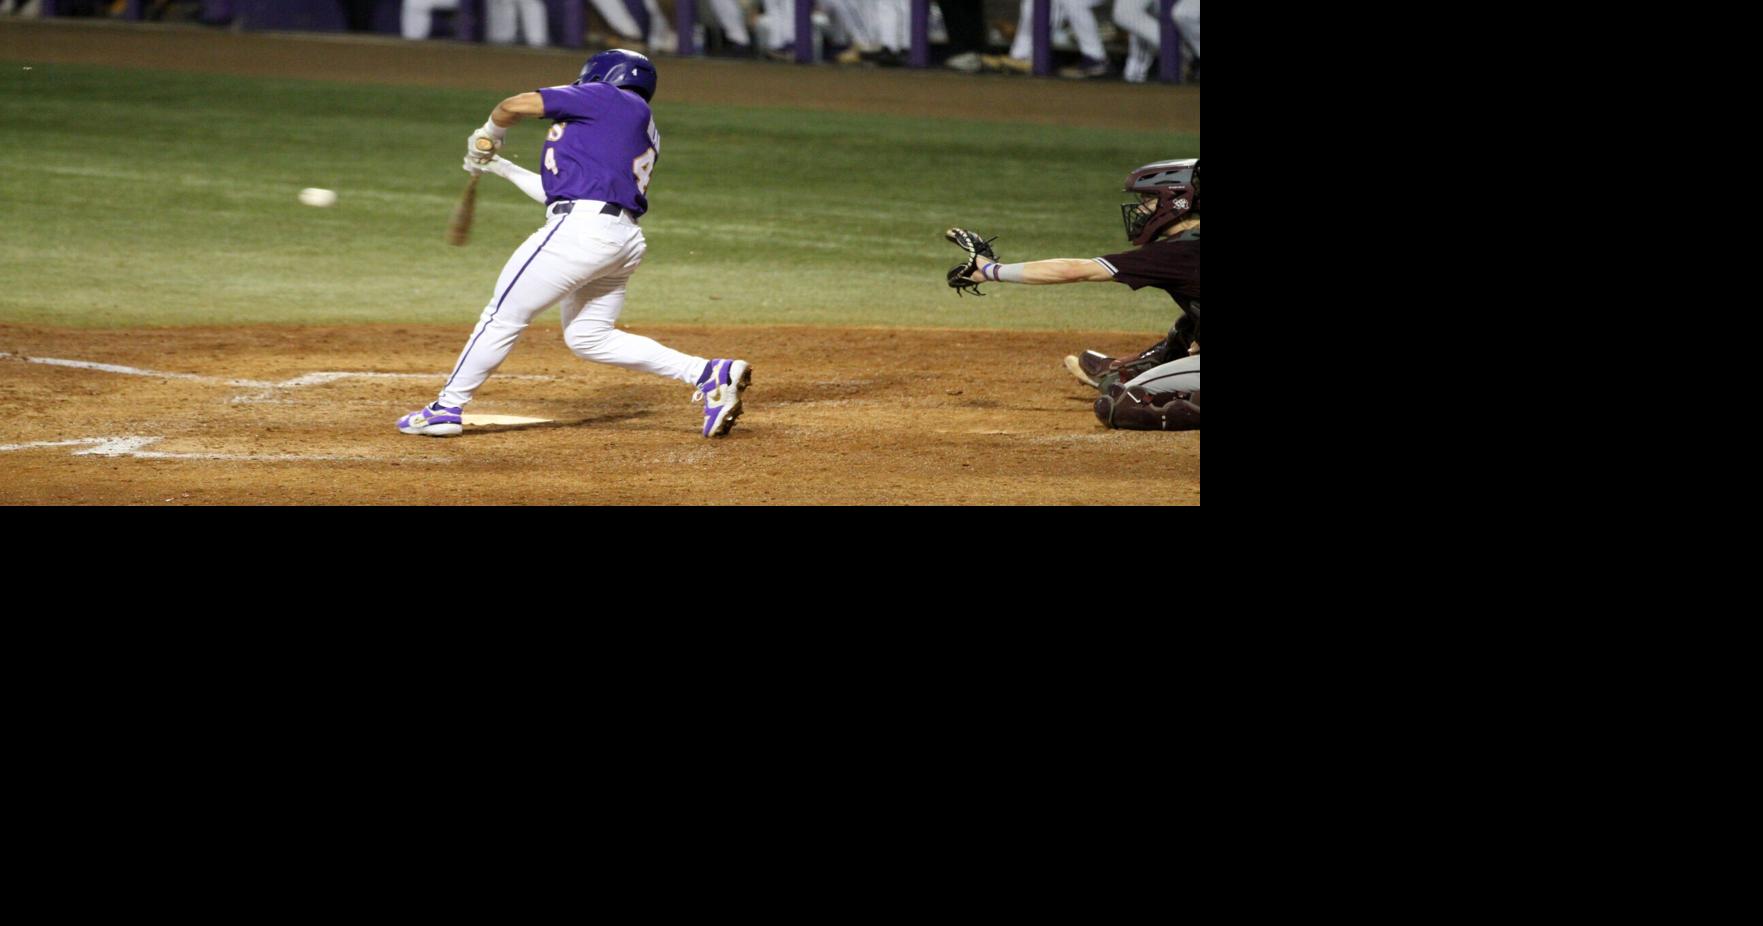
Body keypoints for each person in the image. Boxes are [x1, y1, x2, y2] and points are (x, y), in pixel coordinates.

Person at [397, 49, 752, 439]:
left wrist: (489, 134)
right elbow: (561, 193)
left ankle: (445, 407)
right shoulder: (630, 120)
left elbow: (512, 106)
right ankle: (708, 374)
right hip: (619, 239)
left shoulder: (605, 97)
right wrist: (499, 165)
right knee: (589, 336)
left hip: (581, 234)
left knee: (502, 316)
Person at [951, 159, 1199, 431]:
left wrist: (990, 270)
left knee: (1124, 403)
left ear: (1174, 200)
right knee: (1187, 327)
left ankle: (1140, 382)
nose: (1139, 209)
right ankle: (1126, 371)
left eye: (1147, 200)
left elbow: (1075, 270)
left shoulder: (1175, 253)